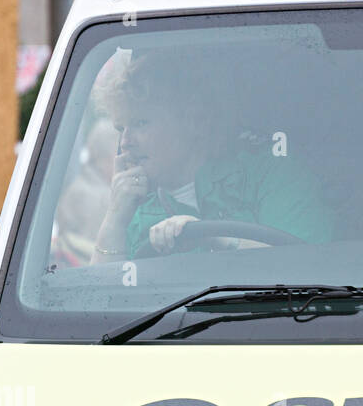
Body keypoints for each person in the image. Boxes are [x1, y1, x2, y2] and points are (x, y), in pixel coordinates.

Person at [90, 52, 333, 263]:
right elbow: (100, 304)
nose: (125, 142)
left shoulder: (273, 175)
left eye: (141, 123)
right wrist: (114, 220)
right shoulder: (134, 210)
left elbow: (312, 267)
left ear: (195, 121)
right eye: (121, 128)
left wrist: (225, 240)